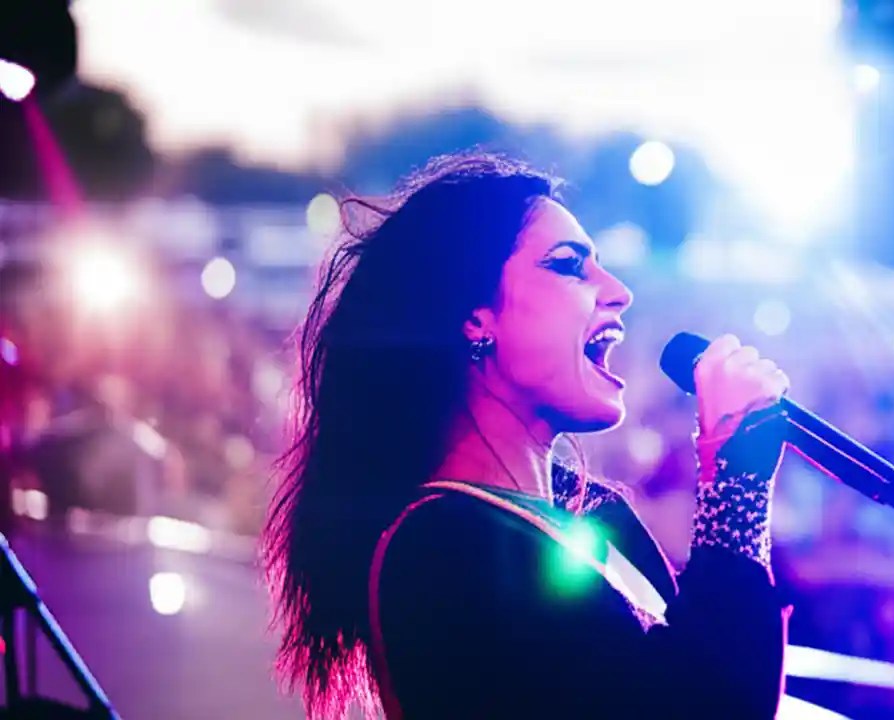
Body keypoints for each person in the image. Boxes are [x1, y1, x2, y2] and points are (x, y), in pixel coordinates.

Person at [262, 153, 792, 719]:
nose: (617, 291)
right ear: (475, 317)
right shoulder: (442, 545)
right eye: (569, 266)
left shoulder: (592, 517)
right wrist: (733, 487)